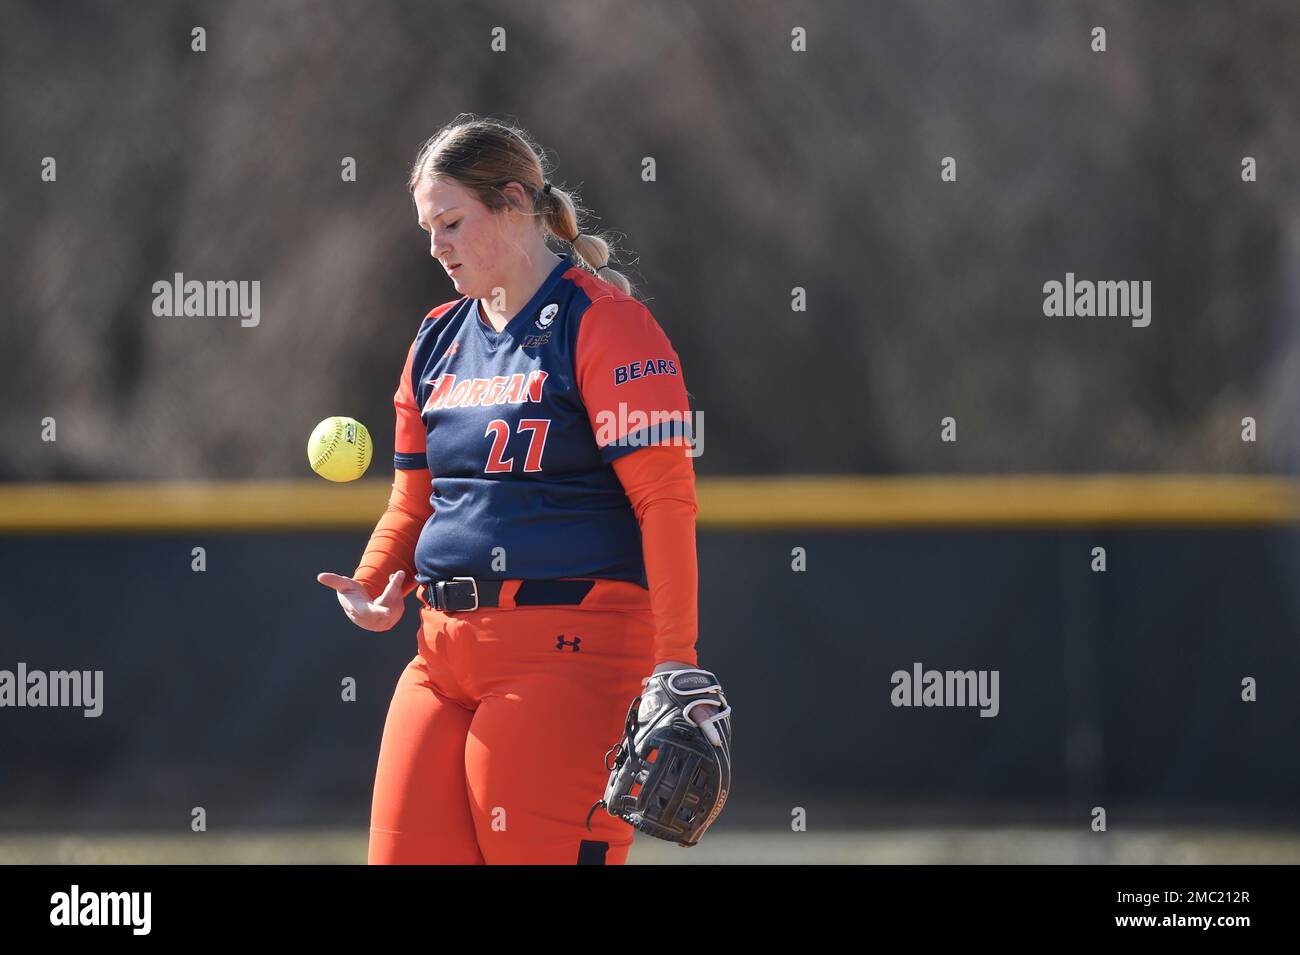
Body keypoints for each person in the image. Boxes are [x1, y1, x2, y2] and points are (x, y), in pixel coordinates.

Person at [316, 115, 728, 864]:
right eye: (426, 228)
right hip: (441, 652)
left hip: (568, 652)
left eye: (450, 222)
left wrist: (677, 660)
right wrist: (376, 579)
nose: (435, 246)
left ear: (512, 203)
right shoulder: (438, 337)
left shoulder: (608, 326)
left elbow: (665, 503)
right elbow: (414, 500)